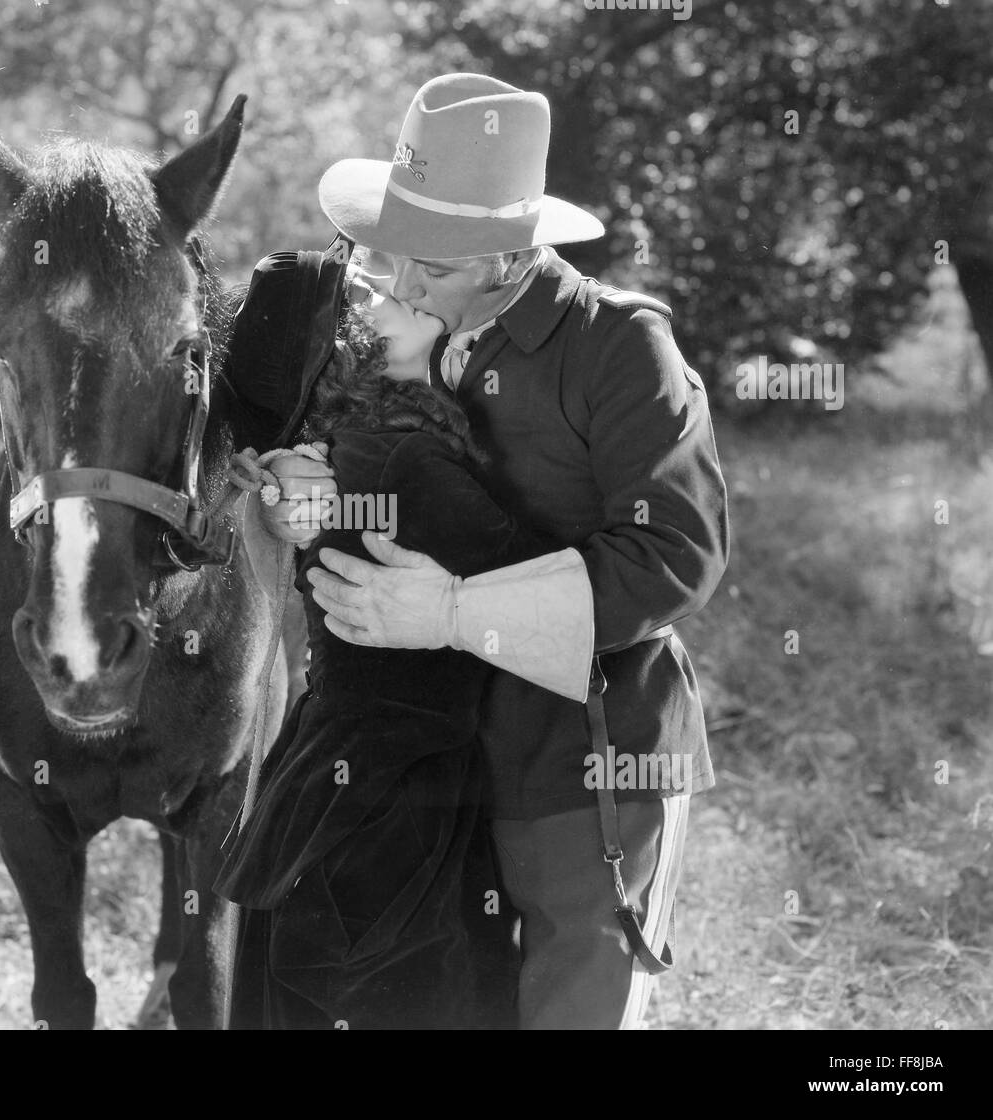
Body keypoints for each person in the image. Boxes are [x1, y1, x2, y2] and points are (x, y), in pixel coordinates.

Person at [244, 73, 730, 1029]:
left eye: (434, 264)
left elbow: (680, 552)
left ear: (511, 254)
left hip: (587, 764)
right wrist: (296, 506)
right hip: (438, 769)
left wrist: (457, 612)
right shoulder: (389, 329)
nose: (400, 284)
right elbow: (329, 499)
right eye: (396, 257)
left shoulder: (618, 345)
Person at [213, 261, 551, 1030]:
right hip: (395, 792)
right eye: (381, 301)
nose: (403, 296)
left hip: (334, 769)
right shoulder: (402, 460)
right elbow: (544, 584)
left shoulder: (343, 456)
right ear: (353, 347)